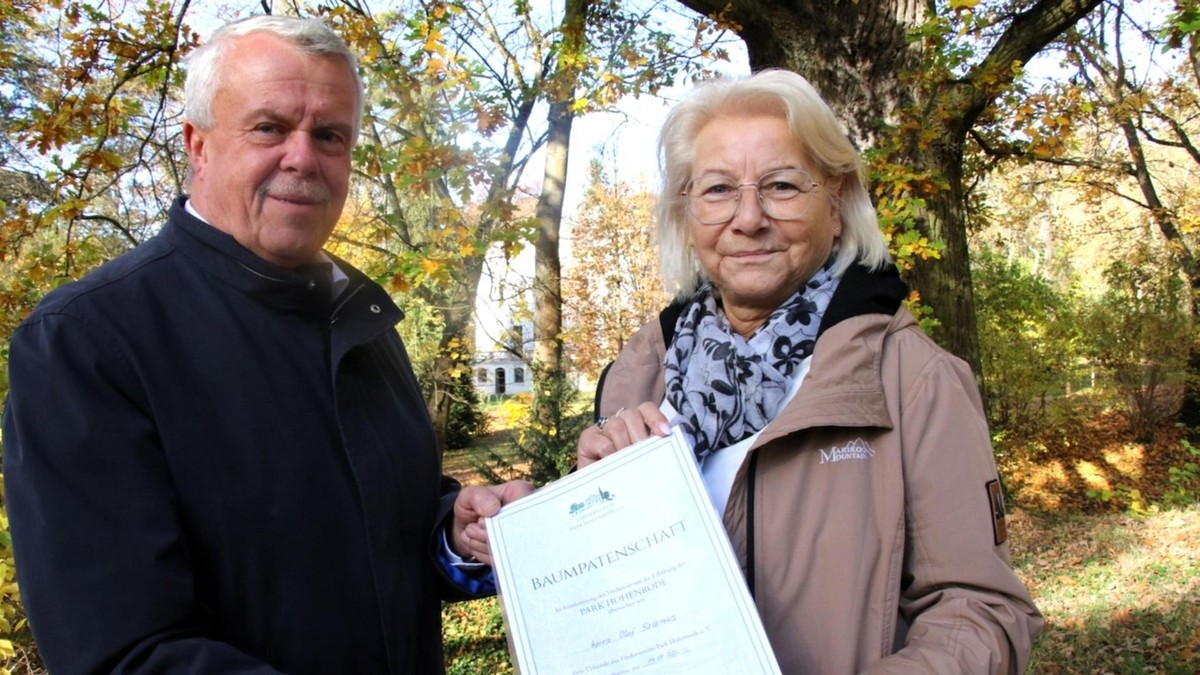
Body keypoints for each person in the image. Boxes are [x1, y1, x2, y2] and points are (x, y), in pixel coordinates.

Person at [2, 15, 529, 674]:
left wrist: (454, 531)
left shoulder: (363, 323)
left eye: (330, 135)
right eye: (269, 128)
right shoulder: (88, 343)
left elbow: (377, 539)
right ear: (198, 145)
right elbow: (123, 653)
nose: (302, 157)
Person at [578, 69, 1042, 674]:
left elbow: (983, 611)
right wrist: (571, 513)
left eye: (781, 185)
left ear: (838, 205)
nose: (749, 218)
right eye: (718, 189)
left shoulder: (912, 379)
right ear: (686, 217)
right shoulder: (638, 374)